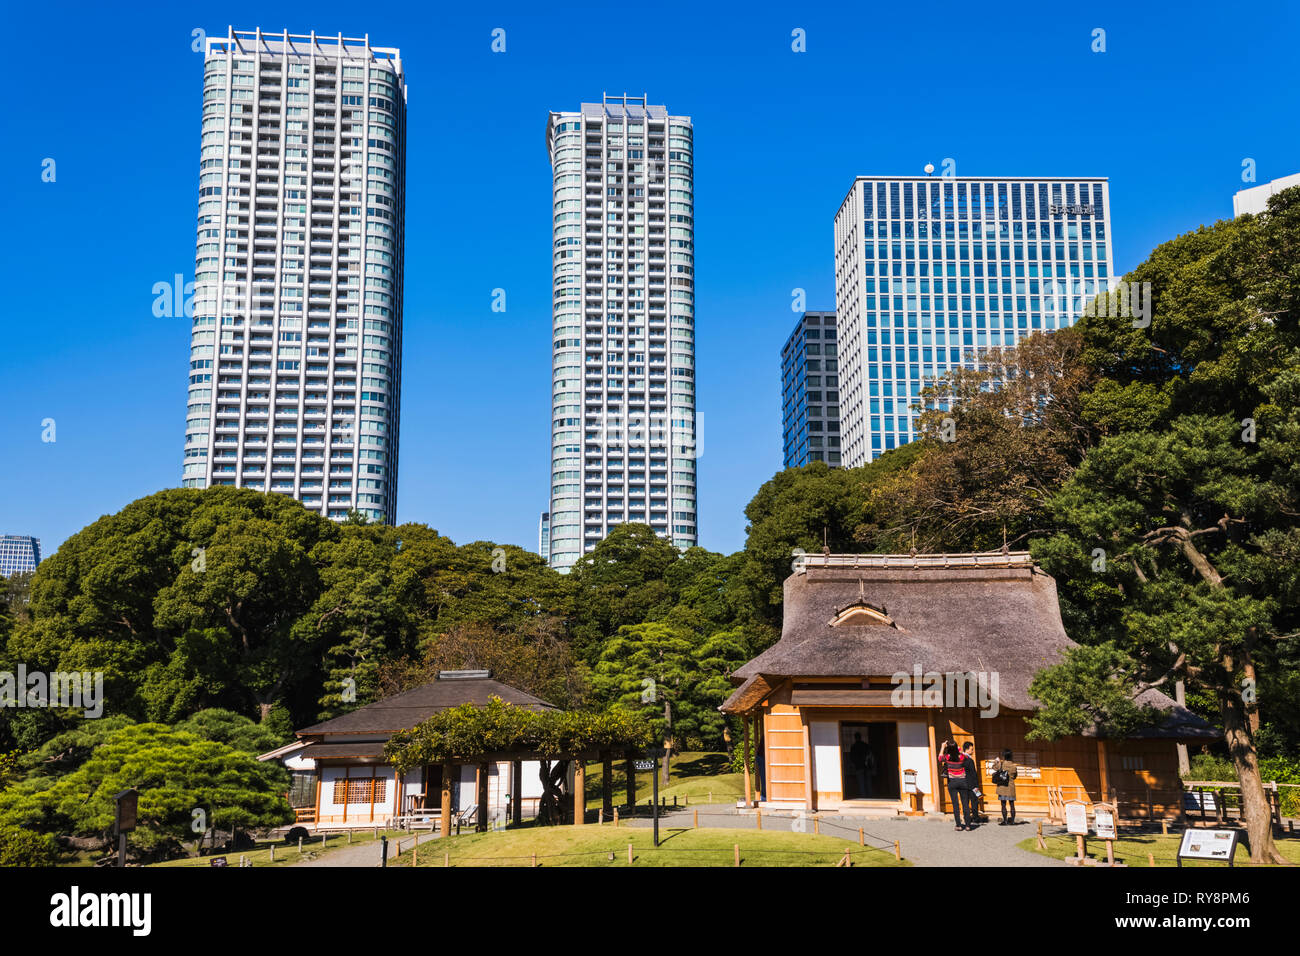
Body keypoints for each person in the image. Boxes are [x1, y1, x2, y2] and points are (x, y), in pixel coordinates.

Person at [940, 743, 975, 830]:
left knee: (955, 804)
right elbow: (965, 755)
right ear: (956, 748)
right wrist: (957, 748)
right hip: (963, 781)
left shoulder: (947, 757)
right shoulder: (962, 757)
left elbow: (940, 758)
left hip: (952, 782)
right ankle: (967, 825)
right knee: (965, 804)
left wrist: (942, 747)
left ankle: (958, 825)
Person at [993, 748, 1018, 824]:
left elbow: (994, 767)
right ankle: (1013, 821)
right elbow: (1015, 776)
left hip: (1002, 786)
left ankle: (1005, 821)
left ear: (1004, 756)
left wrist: (996, 761)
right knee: (1012, 804)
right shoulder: (1014, 766)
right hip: (1010, 786)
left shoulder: (1001, 764)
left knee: (1003, 804)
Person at [848, 732, 875, 798]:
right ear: (860, 737)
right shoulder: (866, 745)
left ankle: (864, 796)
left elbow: (852, 758)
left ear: (855, 738)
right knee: (868, 781)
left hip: (858, 767)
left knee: (861, 782)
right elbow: (870, 755)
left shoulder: (853, 747)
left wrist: (853, 765)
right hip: (867, 766)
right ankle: (870, 795)